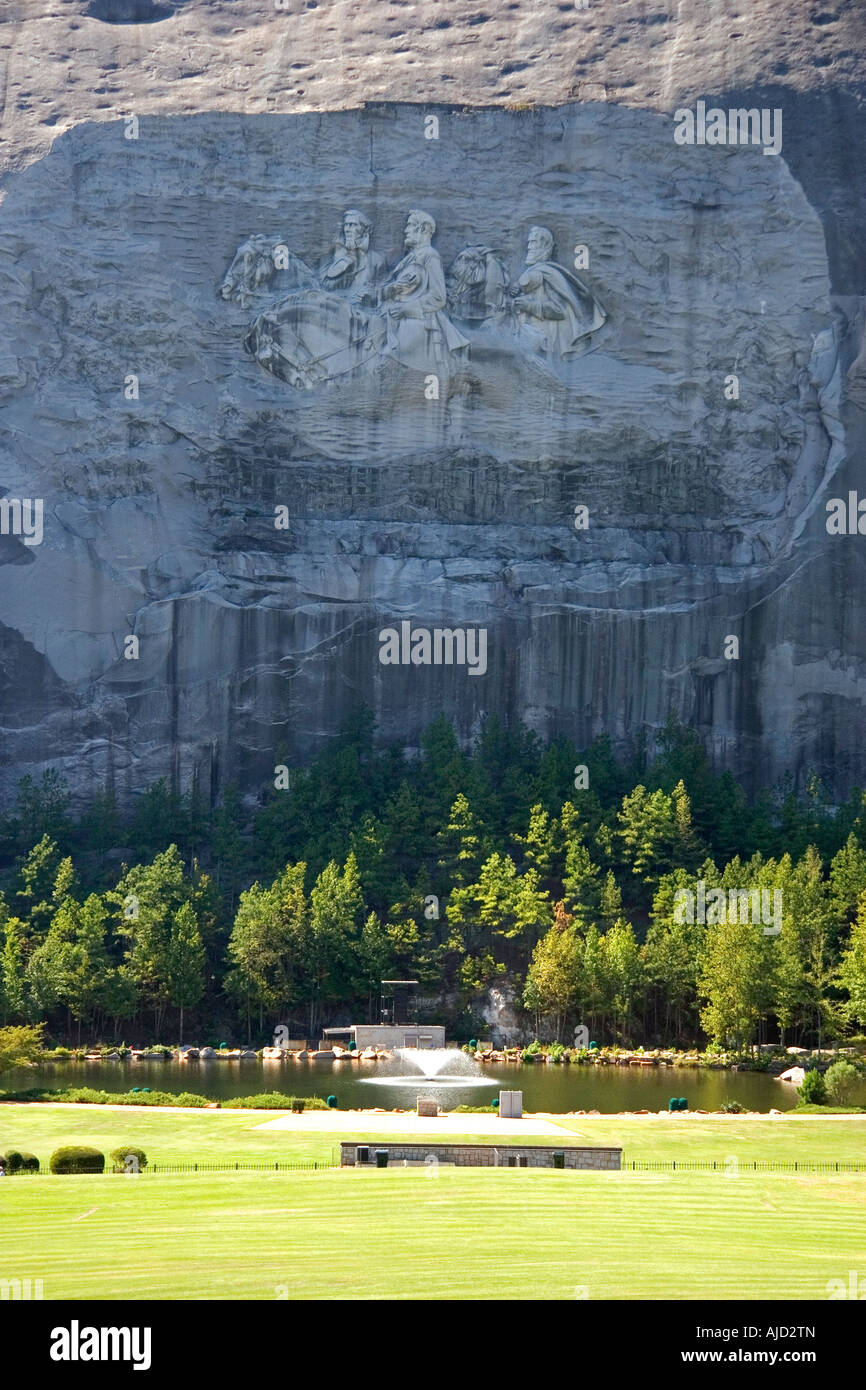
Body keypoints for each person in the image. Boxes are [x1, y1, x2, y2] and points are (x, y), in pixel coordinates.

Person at [510, 225, 606, 357]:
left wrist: (529, 306)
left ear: (544, 245)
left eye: (533, 242)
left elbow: (560, 311)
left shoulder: (550, 274)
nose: (529, 247)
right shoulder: (532, 272)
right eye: (529, 242)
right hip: (525, 339)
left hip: (543, 343)